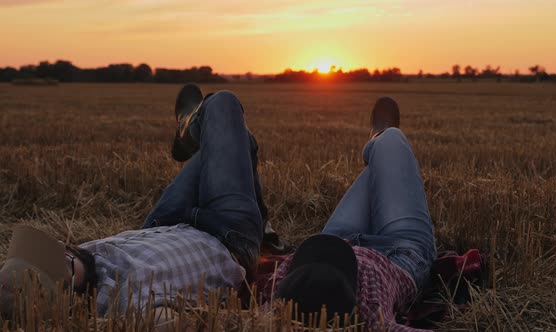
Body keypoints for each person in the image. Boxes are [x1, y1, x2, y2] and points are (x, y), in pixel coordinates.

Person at [0, 85, 271, 319]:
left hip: (165, 222)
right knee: (225, 110)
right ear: (72, 301)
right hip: (228, 235)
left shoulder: (80, 261)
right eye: (64, 261)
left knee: (227, 137)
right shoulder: (130, 306)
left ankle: (189, 128)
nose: (65, 247)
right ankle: (189, 128)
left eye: (53, 249)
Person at [264, 97, 437, 331]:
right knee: (392, 143)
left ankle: (379, 146)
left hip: (334, 243)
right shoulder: (370, 305)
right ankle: (382, 138)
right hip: (398, 250)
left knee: (382, 165)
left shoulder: (280, 295)